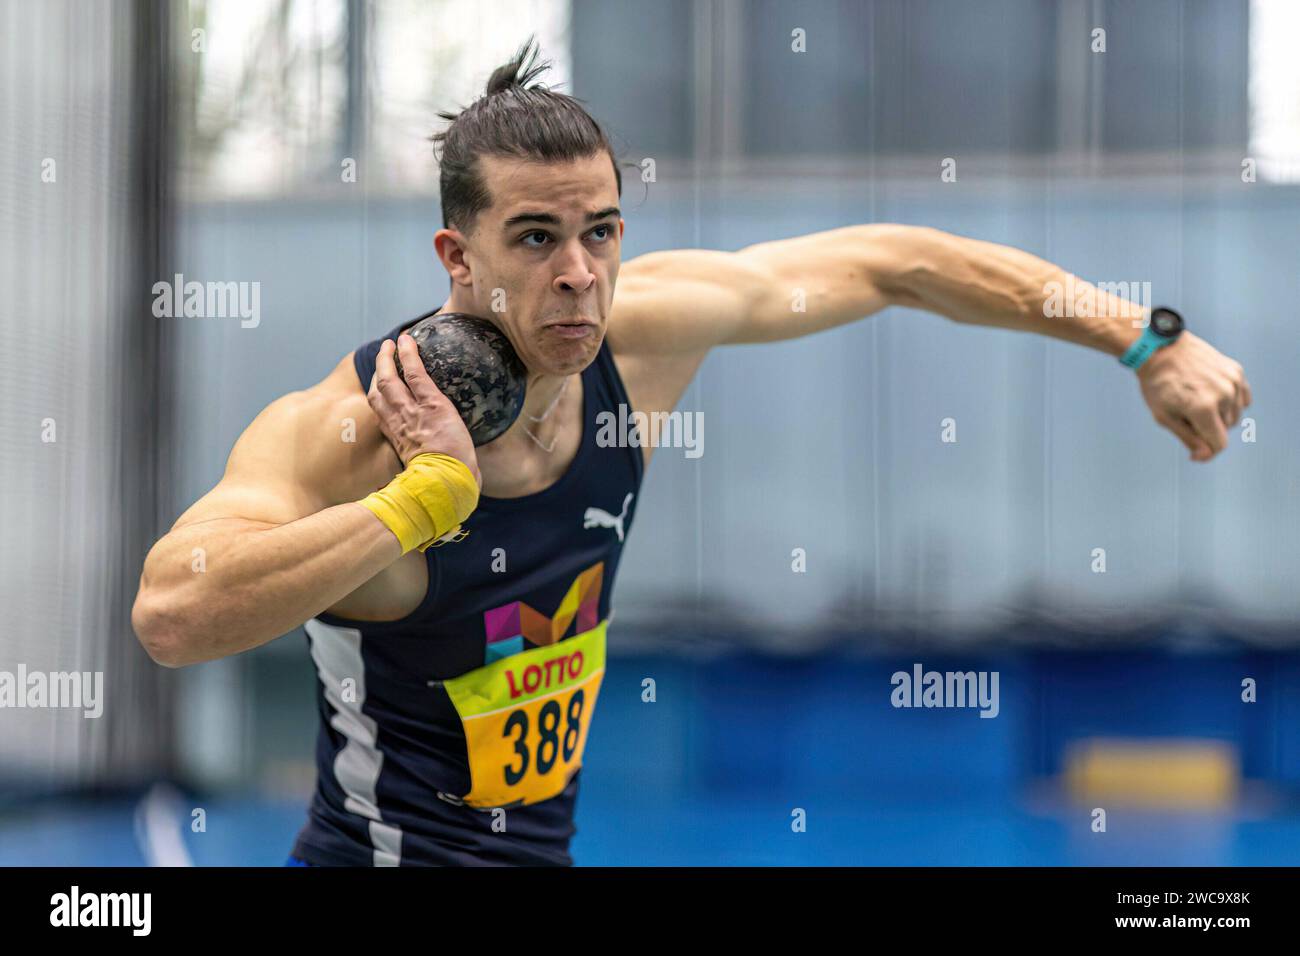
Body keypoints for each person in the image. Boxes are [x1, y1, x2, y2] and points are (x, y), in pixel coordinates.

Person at [131, 39, 1251, 866]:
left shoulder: (644, 338)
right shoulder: (353, 425)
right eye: (535, 237)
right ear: (455, 254)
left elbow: (899, 260)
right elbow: (173, 614)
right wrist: (420, 502)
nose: (580, 271)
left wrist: (1142, 338)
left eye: (601, 230)